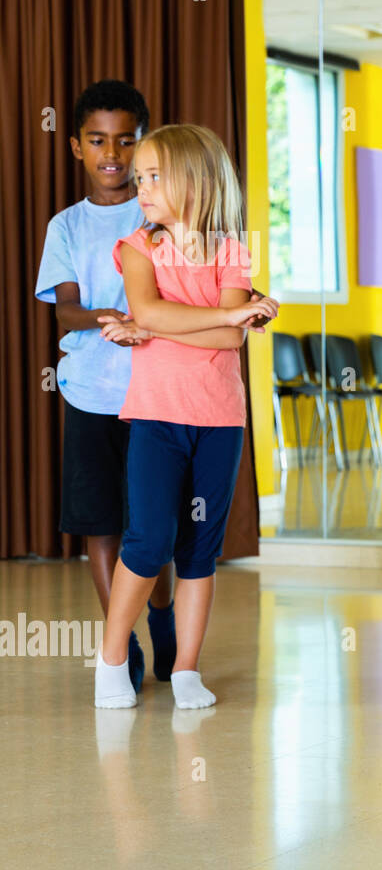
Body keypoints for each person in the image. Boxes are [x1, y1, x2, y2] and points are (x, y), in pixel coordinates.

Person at [94, 124, 275, 709]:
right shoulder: (137, 248)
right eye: (139, 176)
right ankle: (112, 660)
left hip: (220, 422)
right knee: (148, 542)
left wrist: (157, 326)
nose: (140, 186)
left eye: (153, 177)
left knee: (200, 550)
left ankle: (188, 671)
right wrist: (199, 319)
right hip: (156, 417)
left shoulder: (232, 250)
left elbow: (230, 343)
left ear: (196, 180)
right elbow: (169, 312)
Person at [35, 80, 175, 693]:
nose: (112, 152)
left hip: (156, 392)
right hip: (91, 392)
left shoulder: (164, 212)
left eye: (126, 139)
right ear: (76, 147)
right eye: (97, 140)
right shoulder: (65, 227)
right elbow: (65, 311)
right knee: (102, 524)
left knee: (155, 524)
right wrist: (109, 319)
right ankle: (122, 642)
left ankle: (164, 616)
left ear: (145, 144)